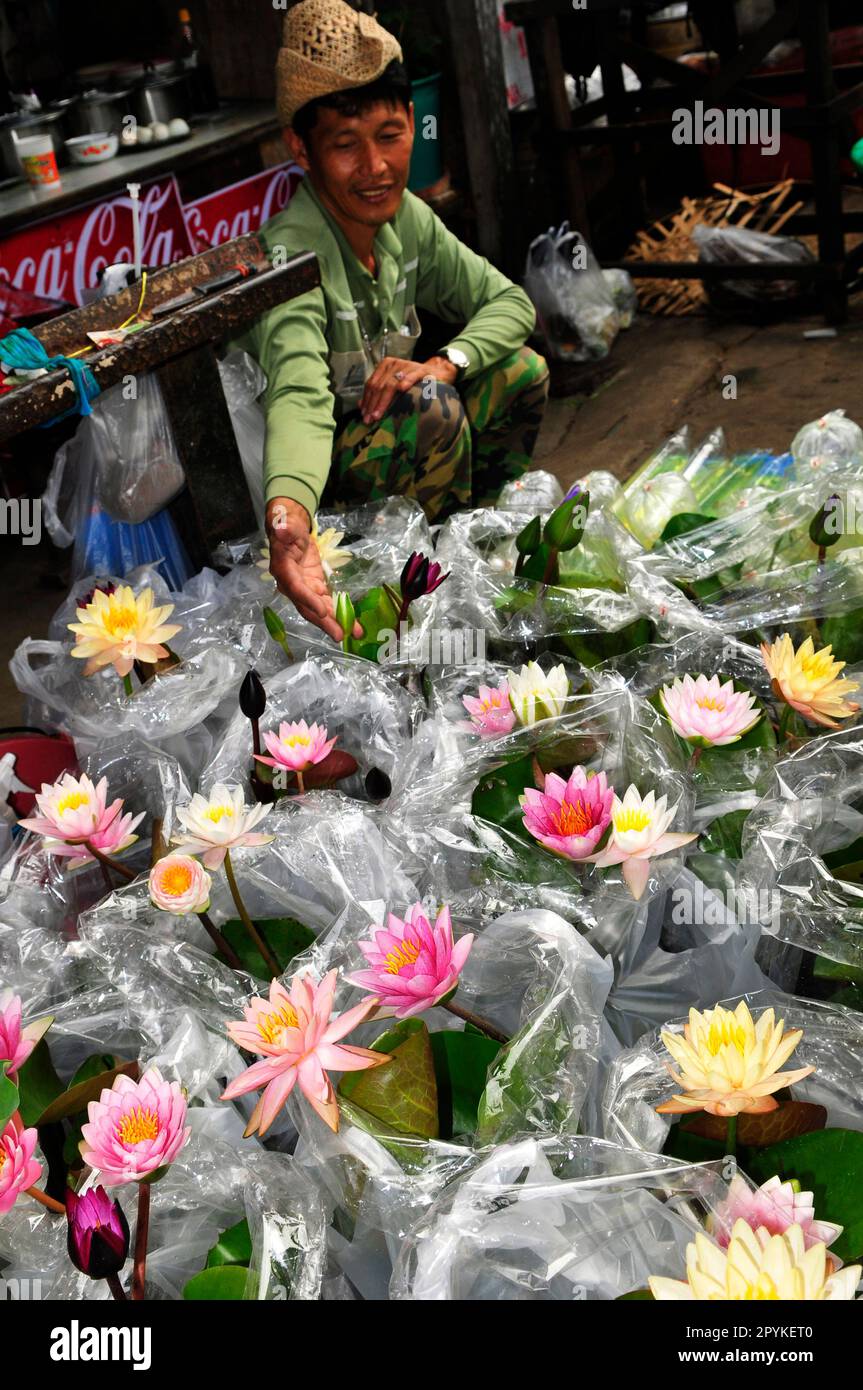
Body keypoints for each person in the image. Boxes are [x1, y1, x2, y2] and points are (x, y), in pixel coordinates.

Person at [240, 0, 548, 641]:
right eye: (345, 146)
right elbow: (297, 393)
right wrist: (289, 514)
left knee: (518, 370)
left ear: (413, 122)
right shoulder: (290, 255)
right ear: (302, 148)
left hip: (403, 457)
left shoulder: (406, 218)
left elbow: (511, 304)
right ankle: (416, 580)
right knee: (430, 407)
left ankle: (472, 539)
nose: (376, 167)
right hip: (334, 491)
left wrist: (445, 358)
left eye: (390, 135)